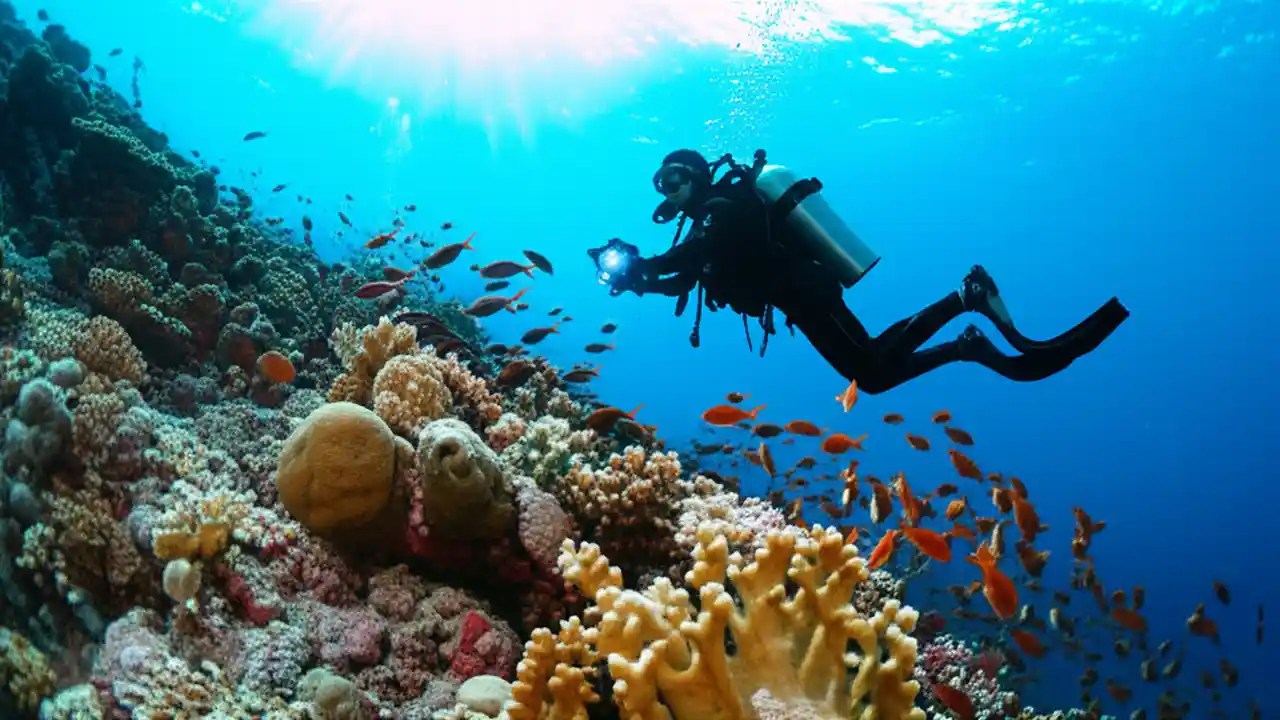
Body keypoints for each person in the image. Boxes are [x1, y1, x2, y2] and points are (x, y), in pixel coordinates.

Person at [588, 148, 1129, 394]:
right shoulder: (703, 224)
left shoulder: (721, 207)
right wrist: (637, 281)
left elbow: (689, 257)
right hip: (799, 299)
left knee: (868, 368)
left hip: (806, 294)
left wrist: (643, 264)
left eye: (674, 178)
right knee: (869, 376)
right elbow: (685, 278)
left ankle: (967, 301)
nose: (668, 190)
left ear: (696, 175)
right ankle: (965, 337)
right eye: (660, 183)